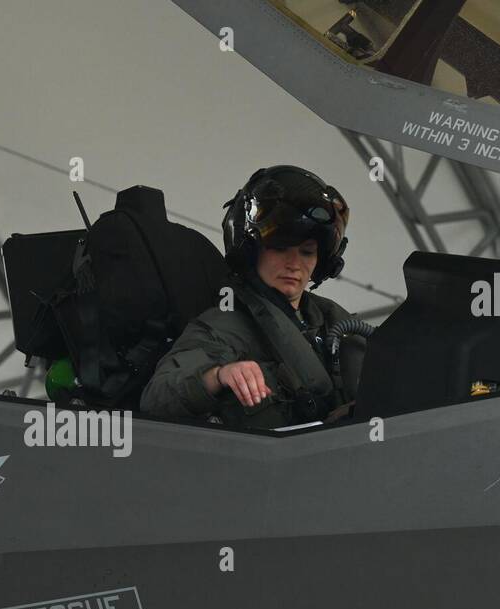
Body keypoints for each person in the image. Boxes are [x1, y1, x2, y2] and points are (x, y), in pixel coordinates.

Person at [140, 166, 359, 429]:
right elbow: (157, 397)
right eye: (280, 247)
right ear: (251, 251)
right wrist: (218, 376)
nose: (294, 264)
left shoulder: (333, 319)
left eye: (306, 252)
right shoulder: (224, 326)